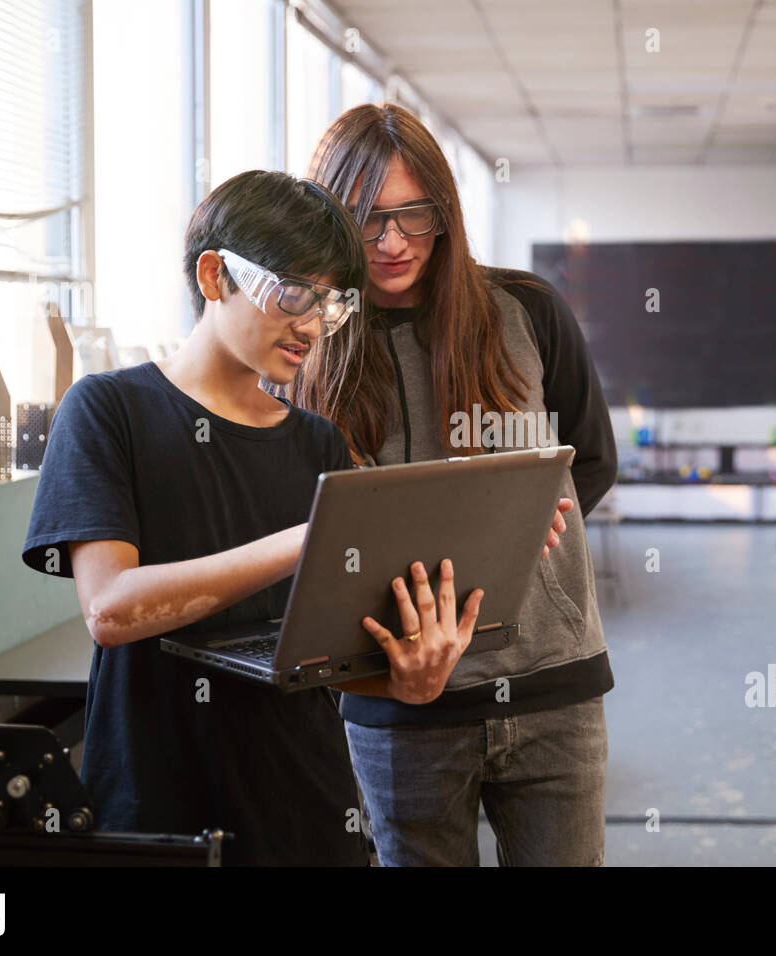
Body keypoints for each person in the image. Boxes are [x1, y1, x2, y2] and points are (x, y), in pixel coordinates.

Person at [21, 171, 492, 864]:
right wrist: (307, 541)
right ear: (215, 276)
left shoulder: (316, 443)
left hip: (305, 811)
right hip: (158, 810)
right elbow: (112, 612)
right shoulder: (107, 411)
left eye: (329, 305)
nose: (310, 324)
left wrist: (404, 678)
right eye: (294, 292)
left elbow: (318, 657)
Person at [281, 103, 618, 866]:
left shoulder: (527, 309)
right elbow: (299, 520)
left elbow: (588, 460)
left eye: (414, 214)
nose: (393, 241)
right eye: (367, 218)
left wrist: (529, 521)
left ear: (446, 212)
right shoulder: (301, 344)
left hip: (551, 684)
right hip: (397, 701)